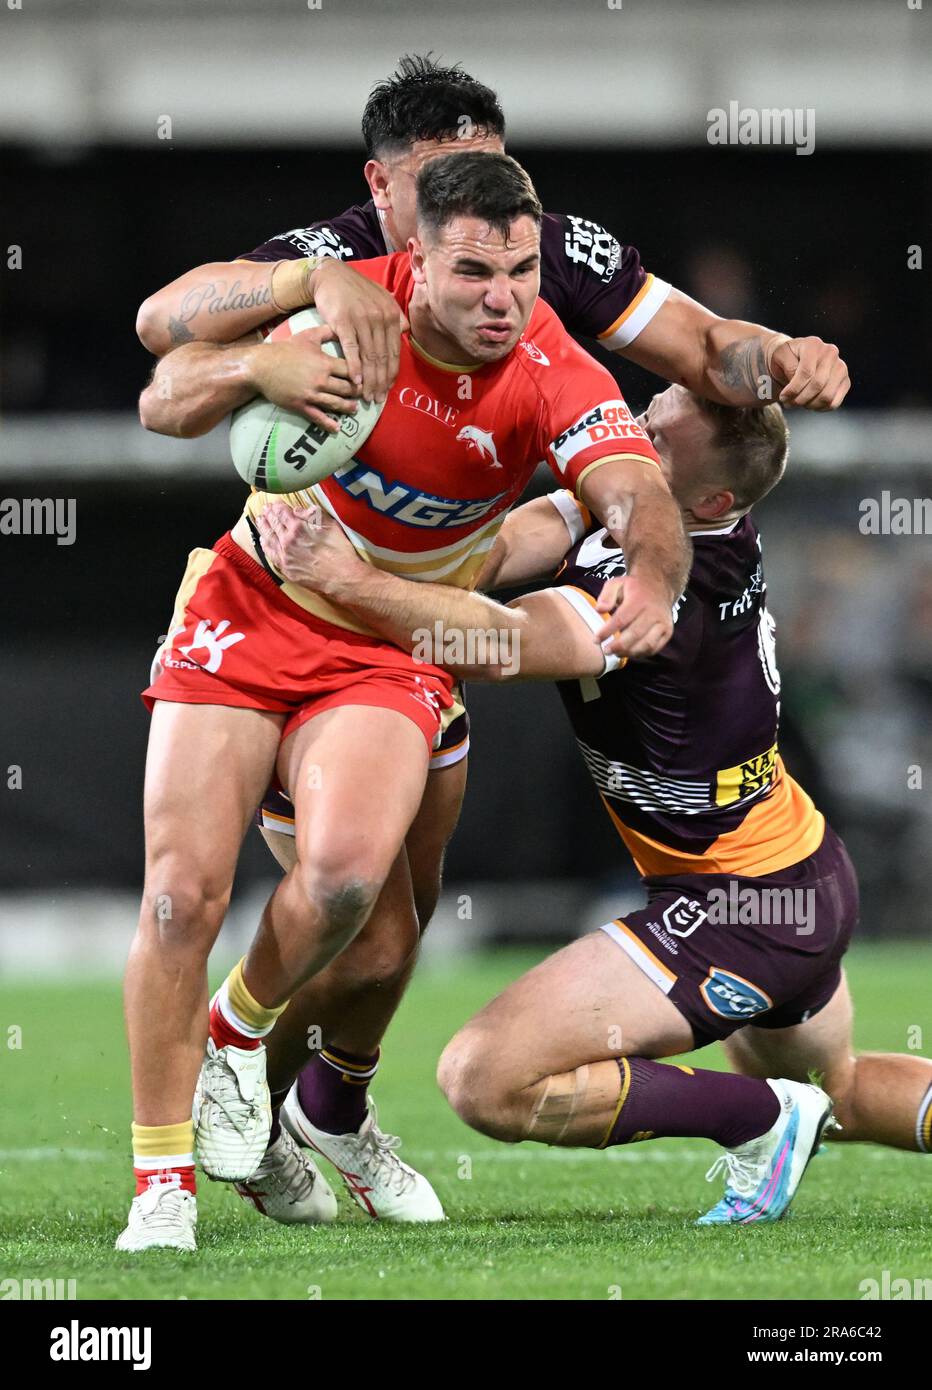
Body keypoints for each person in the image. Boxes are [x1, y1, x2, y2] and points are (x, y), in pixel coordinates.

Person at [134, 54, 849, 1226]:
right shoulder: (335, 264)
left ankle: (326, 1112)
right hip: (282, 615)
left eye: (501, 189)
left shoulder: (546, 275)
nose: (494, 260)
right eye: (443, 200)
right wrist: (281, 330)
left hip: (419, 650)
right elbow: (165, 344)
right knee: (239, 905)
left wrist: (767, 362)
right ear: (385, 195)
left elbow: (671, 409)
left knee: (382, 931)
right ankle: (200, 1140)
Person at [118, 151, 690, 1253]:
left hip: (394, 637)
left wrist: (654, 576)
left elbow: (632, 488)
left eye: (522, 271)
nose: (503, 297)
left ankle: (241, 1039)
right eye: (473, 271)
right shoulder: (343, 300)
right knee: (178, 900)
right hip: (251, 605)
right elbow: (161, 389)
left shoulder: (548, 365)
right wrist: (259, 365)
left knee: (353, 900)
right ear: (412, 259)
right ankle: (161, 1190)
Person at [257, 384, 932, 1225]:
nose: (628, 437)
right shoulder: (655, 505)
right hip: (798, 869)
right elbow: (501, 550)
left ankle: (762, 1123)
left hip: (741, 905)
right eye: (646, 413)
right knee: (847, 1089)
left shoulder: (654, 597)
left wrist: (347, 577)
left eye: (656, 440)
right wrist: (388, 530)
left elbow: (491, 642)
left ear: (709, 499)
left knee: (486, 1079)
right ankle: (787, 1109)